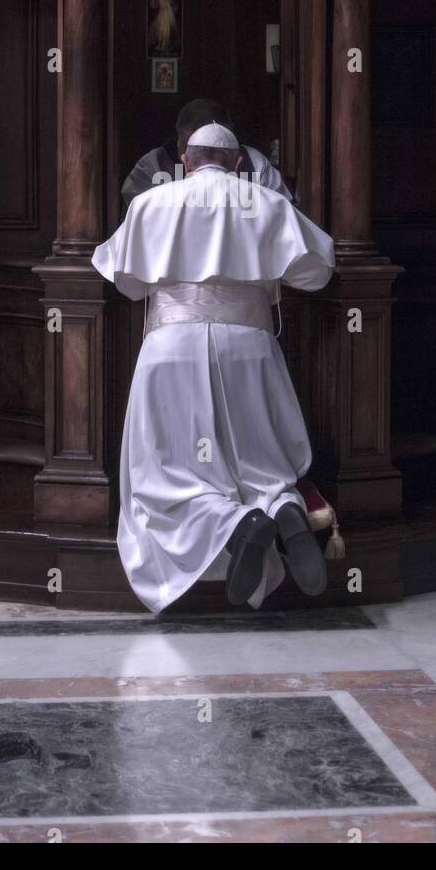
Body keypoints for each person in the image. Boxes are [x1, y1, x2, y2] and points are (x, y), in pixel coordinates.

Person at [92, 121, 336, 612]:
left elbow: (127, 283)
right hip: (248, 344)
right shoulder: (267, 203)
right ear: (239, 163)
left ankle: (235, 524)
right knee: (258, 455)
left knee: (167, 467)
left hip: (172, 346)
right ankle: (283, 507)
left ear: (184, 159)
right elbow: (315, 272)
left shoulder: (150, 204)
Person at [121, 97, 291, 208]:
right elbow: (136, 218)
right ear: (179, 138)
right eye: (194, 147)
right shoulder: (154, 164)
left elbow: (281, 212)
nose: (205, 162)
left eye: (215, 150)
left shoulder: (255, 164)